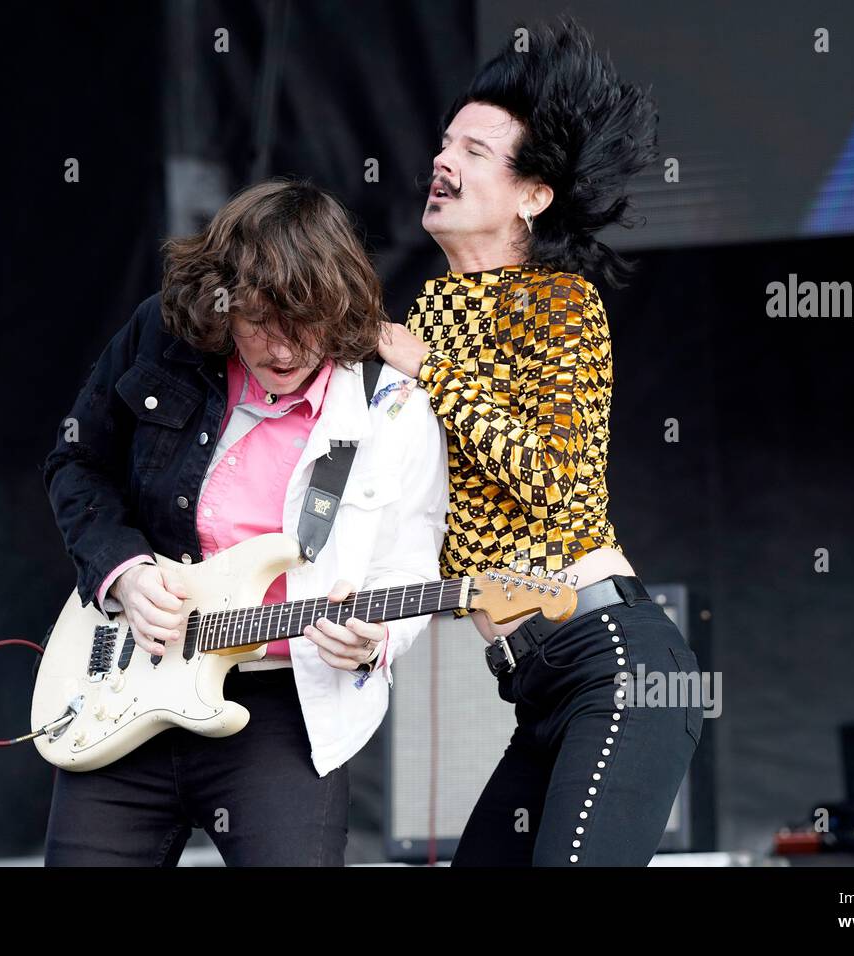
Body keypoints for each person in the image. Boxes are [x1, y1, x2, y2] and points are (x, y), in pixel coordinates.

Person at [42, 178, 448, 865]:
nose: (282, 348)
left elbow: (411, 563)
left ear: (343, 306)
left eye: (305, 323)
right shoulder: (161, 337)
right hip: (125, 678)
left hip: (287, 706)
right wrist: (125, 573)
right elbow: (78, 461)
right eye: (258, 321)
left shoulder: (392, 408)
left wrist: (377, 638)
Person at [377, 19, 703, 866]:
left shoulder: (559, 305)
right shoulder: (431, 313)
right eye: (445, 141)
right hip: (535, 682)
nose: (442, 160)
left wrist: (428, 367)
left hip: (617, 666)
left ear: (534, 195)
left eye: (476, 151)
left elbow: (560, 487)